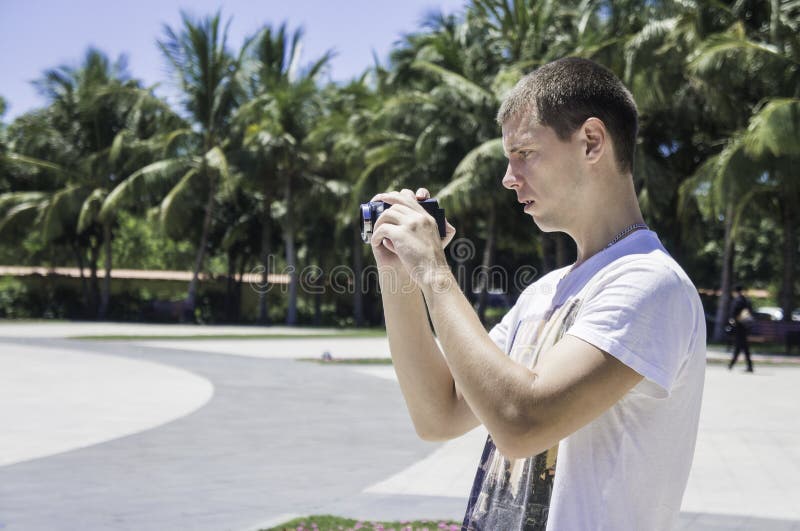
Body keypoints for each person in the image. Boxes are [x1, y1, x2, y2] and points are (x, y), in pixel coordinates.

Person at [369, 57, 706, 530]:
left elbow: (521, 423)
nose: (509, 177)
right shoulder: (544, 293)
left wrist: (434, 269)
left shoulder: (650, 283)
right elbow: (438, 413)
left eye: (524, 153)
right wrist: (400, 275)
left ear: (591, 142)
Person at [728, 285, 754, 372]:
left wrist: (732, 320)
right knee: (742, 346)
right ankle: (747, 365)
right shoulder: (746, 300)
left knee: (740, 345)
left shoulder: (737, 300)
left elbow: (734, 312)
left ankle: (732, 364)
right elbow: (750, 311)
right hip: (745, 325)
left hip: (739, 325)